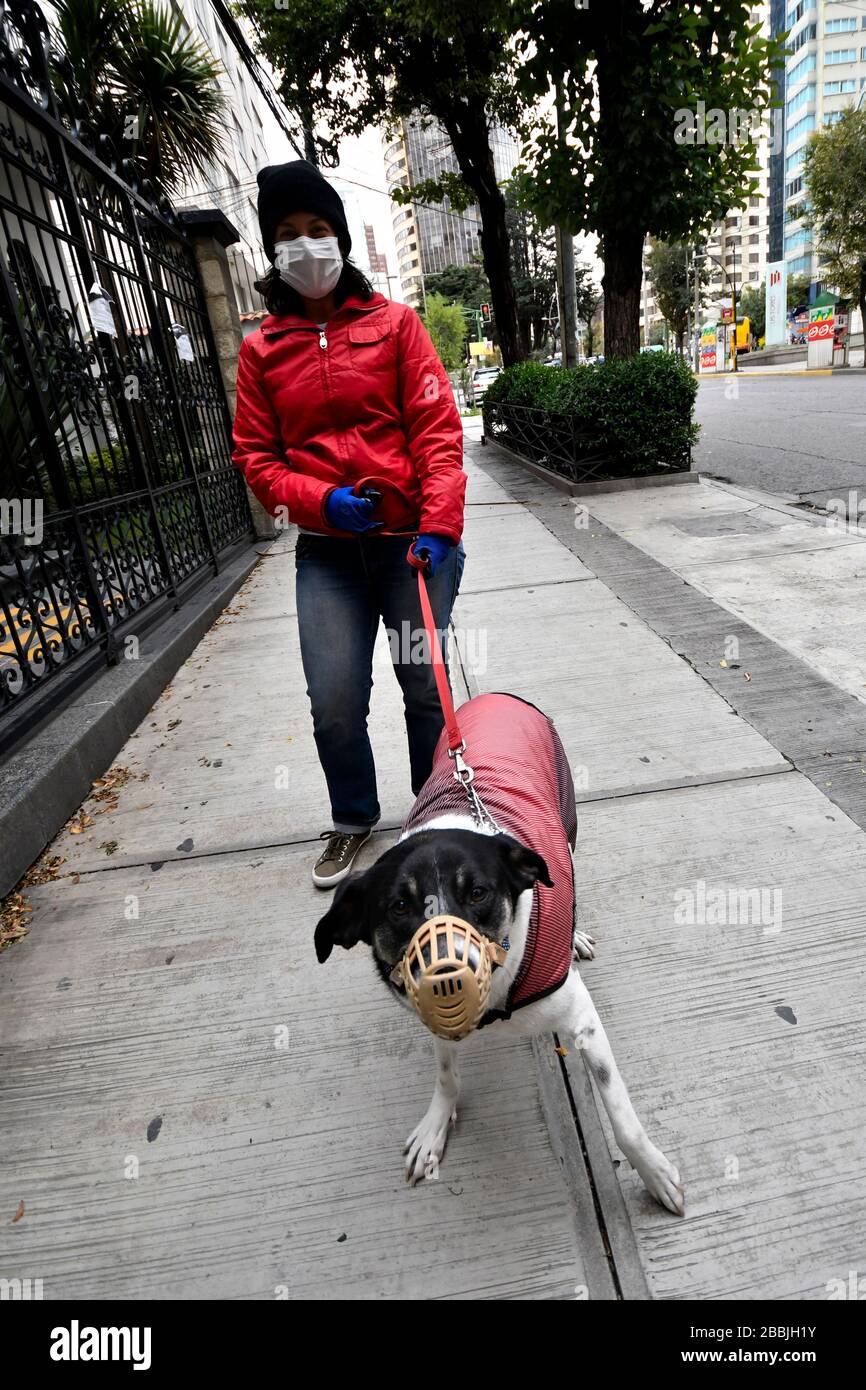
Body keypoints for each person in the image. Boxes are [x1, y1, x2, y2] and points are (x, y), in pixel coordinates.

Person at [232, 160, 466, 888]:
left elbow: (436, 430)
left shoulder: (395, 326)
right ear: (273, 250)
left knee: (423, 687)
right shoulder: (261, 350)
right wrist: (319, 501)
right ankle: (354, 819)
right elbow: (255, 457)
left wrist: (439, 527)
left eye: (319, 229)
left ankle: (435, 817)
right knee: (334, 698)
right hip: (328, 554)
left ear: (340, 236)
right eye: (289, 235)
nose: (307, 247)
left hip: (409, 547)